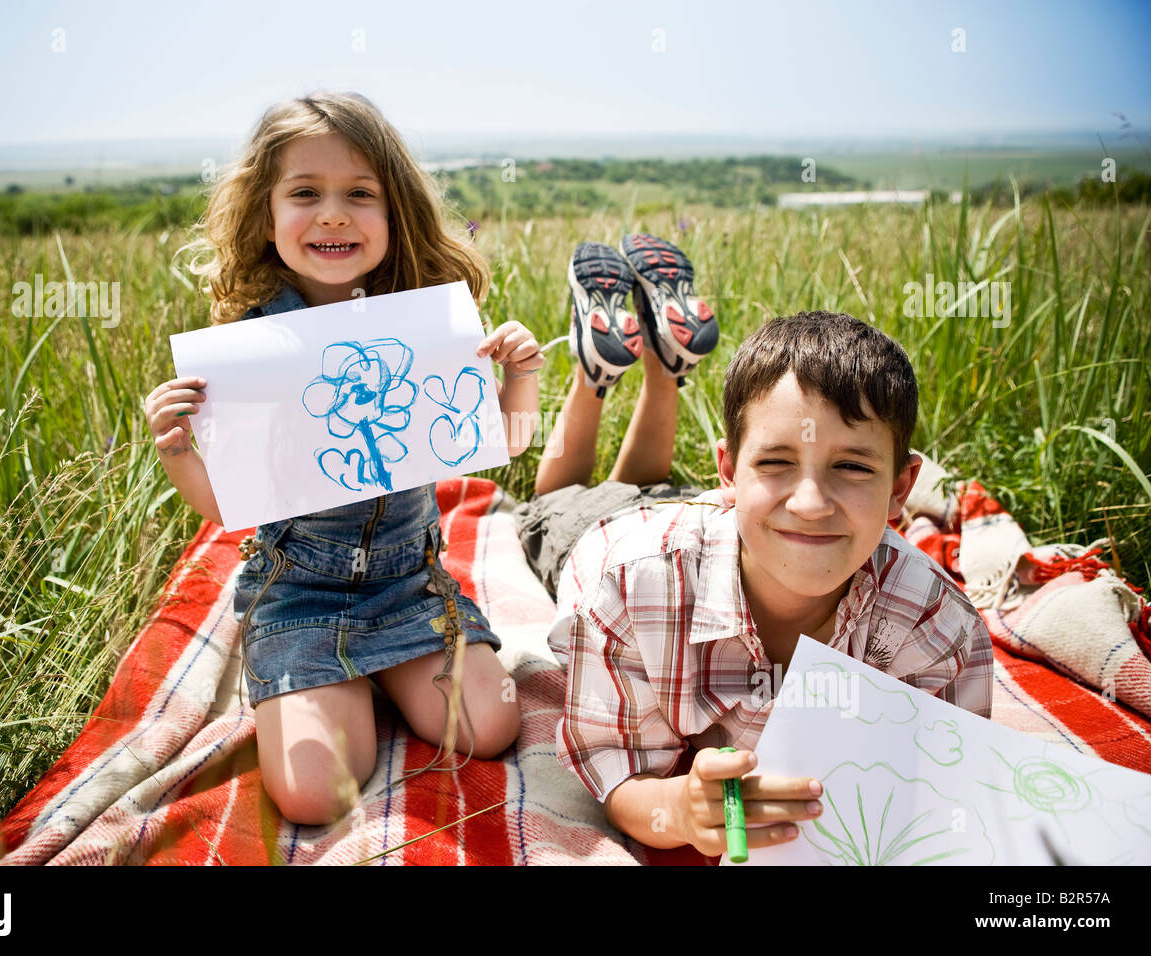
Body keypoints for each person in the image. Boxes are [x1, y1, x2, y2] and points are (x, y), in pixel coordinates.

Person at [143, 92, 541, 826]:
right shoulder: (251, 345)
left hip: (409, 583)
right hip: (303, 595)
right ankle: (338, 679)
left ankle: (390, 670)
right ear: (267, 217)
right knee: (318, 793)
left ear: (396, 214)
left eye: (359, 194)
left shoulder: (426, 321)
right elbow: (230, 506)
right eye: (305, 194)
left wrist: (521, 378)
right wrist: (177, 451)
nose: (332, 214)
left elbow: (504, 443)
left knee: (492, 727)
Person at [514, 259, 994, 857]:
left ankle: (667, 368)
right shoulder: (631, 587)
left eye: (852, 466)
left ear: (901, 488)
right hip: (598, 531)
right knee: (551, 498)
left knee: (650, 482)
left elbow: (944, 798)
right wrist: (678, 812)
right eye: (775, 462)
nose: (812, 503)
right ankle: (598, 374)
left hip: (725, 525)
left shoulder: (937, 630)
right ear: (728, 471)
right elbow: (616, 772)